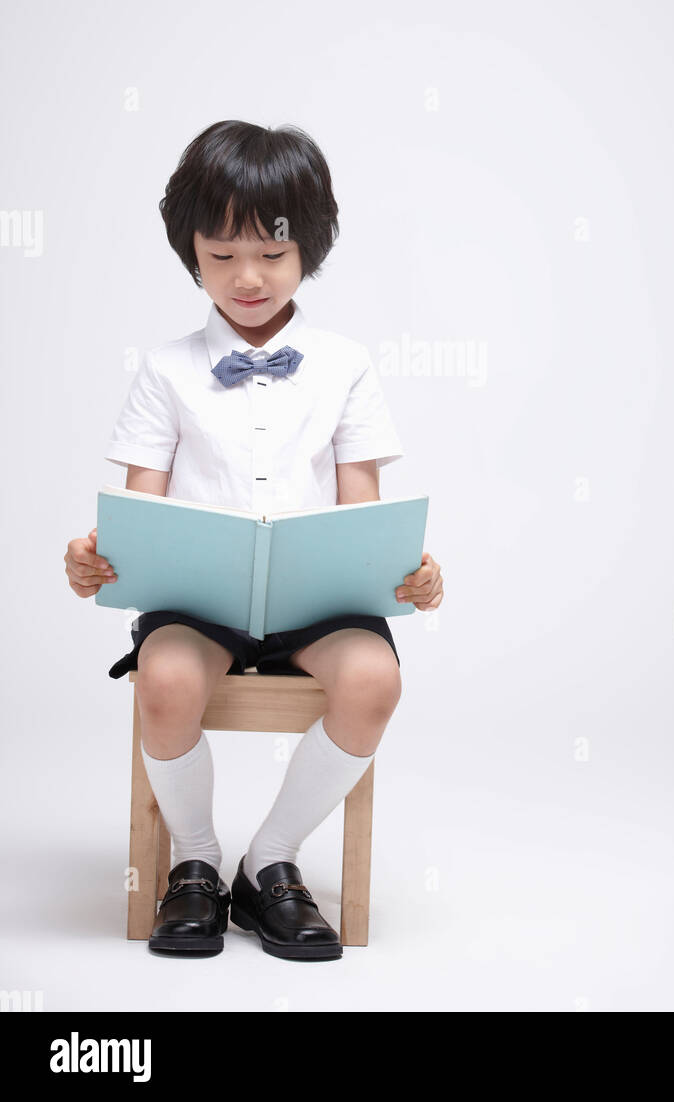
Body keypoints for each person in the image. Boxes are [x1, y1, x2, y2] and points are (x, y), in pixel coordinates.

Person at [63, 119, 444, 961]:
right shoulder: (166, 369)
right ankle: (195, 861)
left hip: (317, 604)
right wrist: (92, 562)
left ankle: (269, 861)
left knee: (375, 678)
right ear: (189, 252)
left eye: (272, 254)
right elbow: (141, 522)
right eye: (222, 254)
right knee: (162, 680)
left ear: (309, 249)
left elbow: (363, 519)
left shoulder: (345, 364)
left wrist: (408, 577)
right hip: (199, 605)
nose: (248, 276)